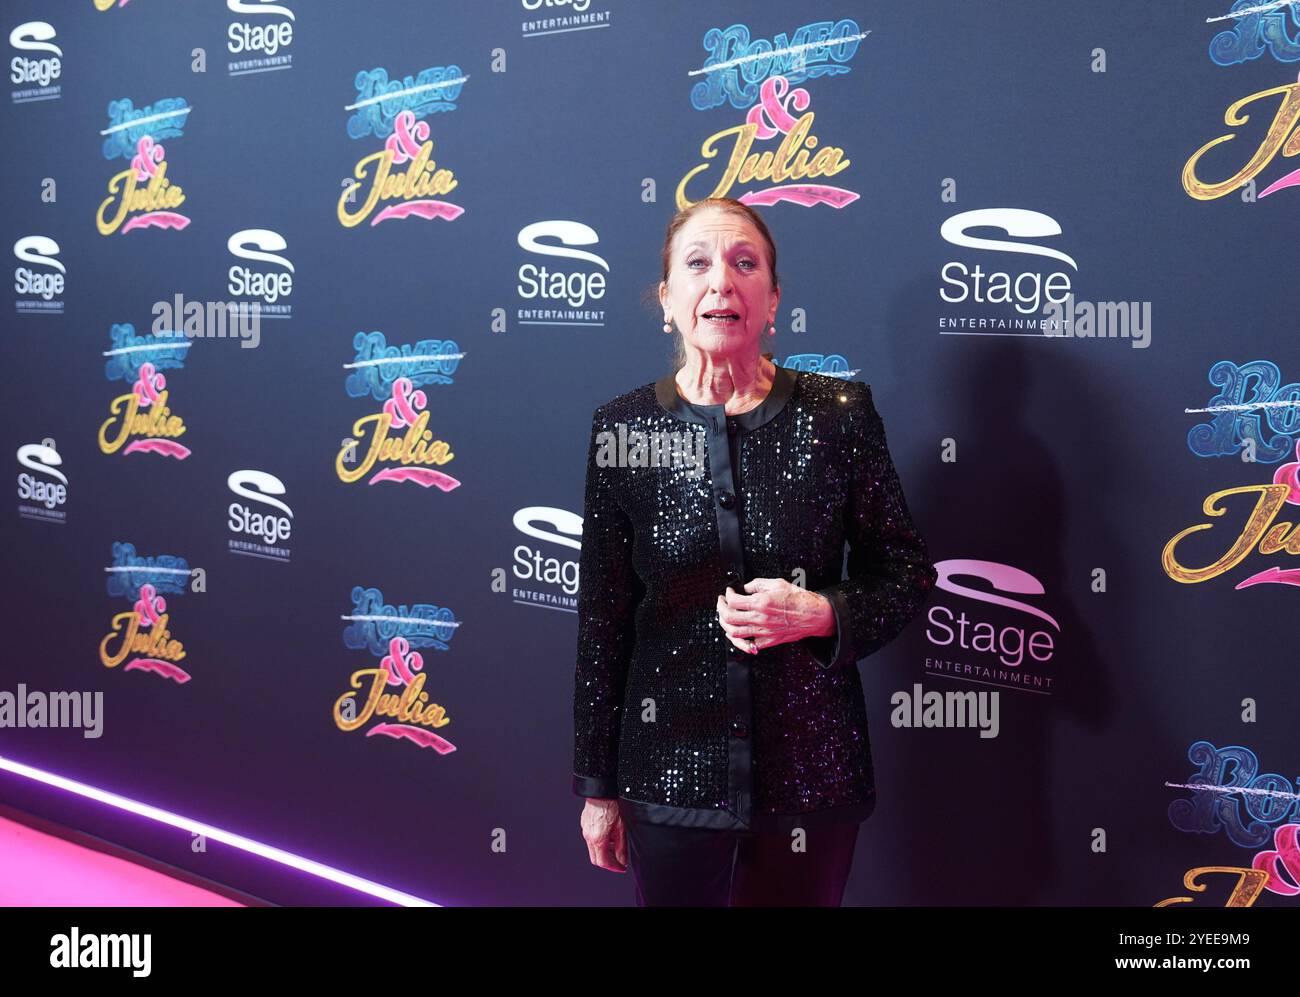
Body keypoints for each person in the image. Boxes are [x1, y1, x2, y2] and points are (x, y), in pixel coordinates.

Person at [572, 196, 937, 906]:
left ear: (772, 298)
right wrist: (598, 788)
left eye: (746, 264)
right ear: (668, 299)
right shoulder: (620, 427)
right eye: (699, 264)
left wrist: (822, 612)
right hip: (668, 777)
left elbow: (906, 573)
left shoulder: (840, 416)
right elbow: (603, 618)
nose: (722, 283)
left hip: (809, 775)